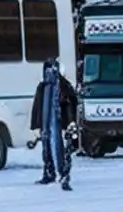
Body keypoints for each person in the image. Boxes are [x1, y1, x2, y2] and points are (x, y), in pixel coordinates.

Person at [31, 57, 77, 191]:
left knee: (57, 145)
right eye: (47, 70)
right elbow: (38, 106)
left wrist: (70, 122)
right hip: (47, 122)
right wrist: (37, 124)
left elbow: (69, 103)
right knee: (47, 145)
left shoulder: (61, 86)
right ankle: (50, 171)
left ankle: (62, 172)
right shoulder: (43, 87)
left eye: (51, 70)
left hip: (56, 121)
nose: (49, 73)